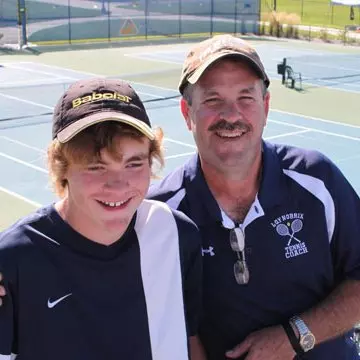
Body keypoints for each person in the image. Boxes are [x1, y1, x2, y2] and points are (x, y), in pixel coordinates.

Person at [146, 34, 360, 359]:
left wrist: (294, 336)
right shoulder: (161, 215)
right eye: (213, 99)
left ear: (266, 106)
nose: (231, 115)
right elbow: (166, 325)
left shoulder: (318, 181)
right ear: (187, 112)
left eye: (246, 97)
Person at [0, 78, 205, 360]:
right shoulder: (13, 261)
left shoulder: (176, 234)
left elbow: (189, 338)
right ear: (62, 169)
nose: (118, 185)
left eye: (133, 163)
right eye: (96, 166)